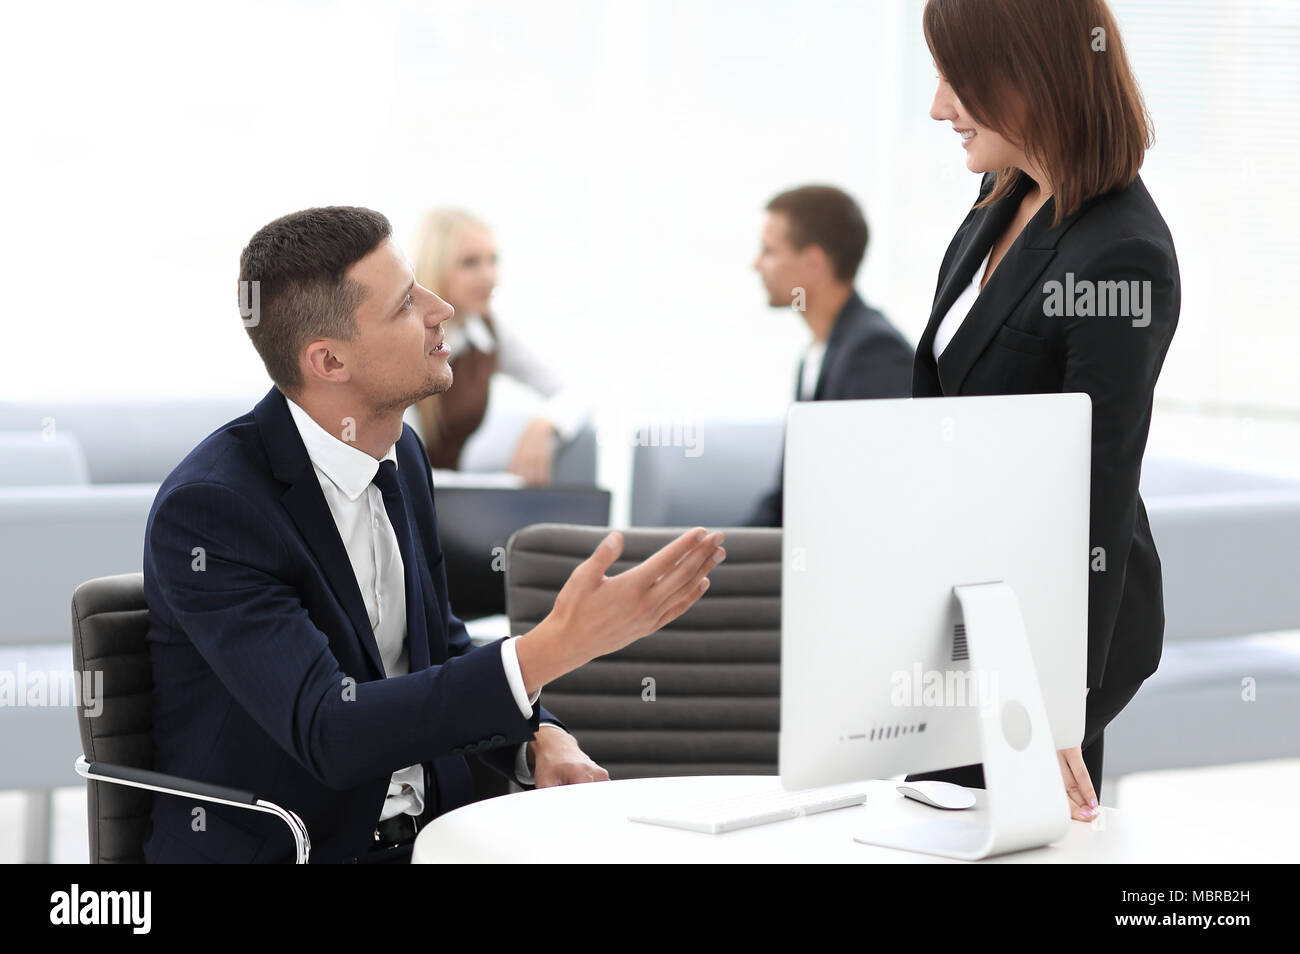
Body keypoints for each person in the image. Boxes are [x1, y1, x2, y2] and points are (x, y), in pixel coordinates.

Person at [143, 206, 726, 863]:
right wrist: (552, 649)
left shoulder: (402, 455)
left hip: (435, 840)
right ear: (329, 359)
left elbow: (438, 648)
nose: (441, 307)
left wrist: (538, 736)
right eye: (403, 305)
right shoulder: (214, 511)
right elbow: (330, 728)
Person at [905, 0, 1180, 819]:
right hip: (966, 602)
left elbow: (1097, 480)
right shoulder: (1003, 193)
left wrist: (1063, 692)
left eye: (956, 79)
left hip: (1049, 627)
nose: (938, 106)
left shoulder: (1121, 251)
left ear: (1027, 74)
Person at [748, 185, 914, 527]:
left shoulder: (874, 352)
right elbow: (789, 498)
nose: (756, 265)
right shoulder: (816, 354)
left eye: (768, 251)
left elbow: (874, 497)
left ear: (814, 263)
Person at [407, 207, 587, 484]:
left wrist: (544, 425)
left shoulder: (489, 331)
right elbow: (406, 466)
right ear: (435, 267)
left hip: (454, 499)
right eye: (470, 263)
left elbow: (575, 393)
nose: (490, 277)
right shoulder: (405, 340)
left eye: (493, 261)